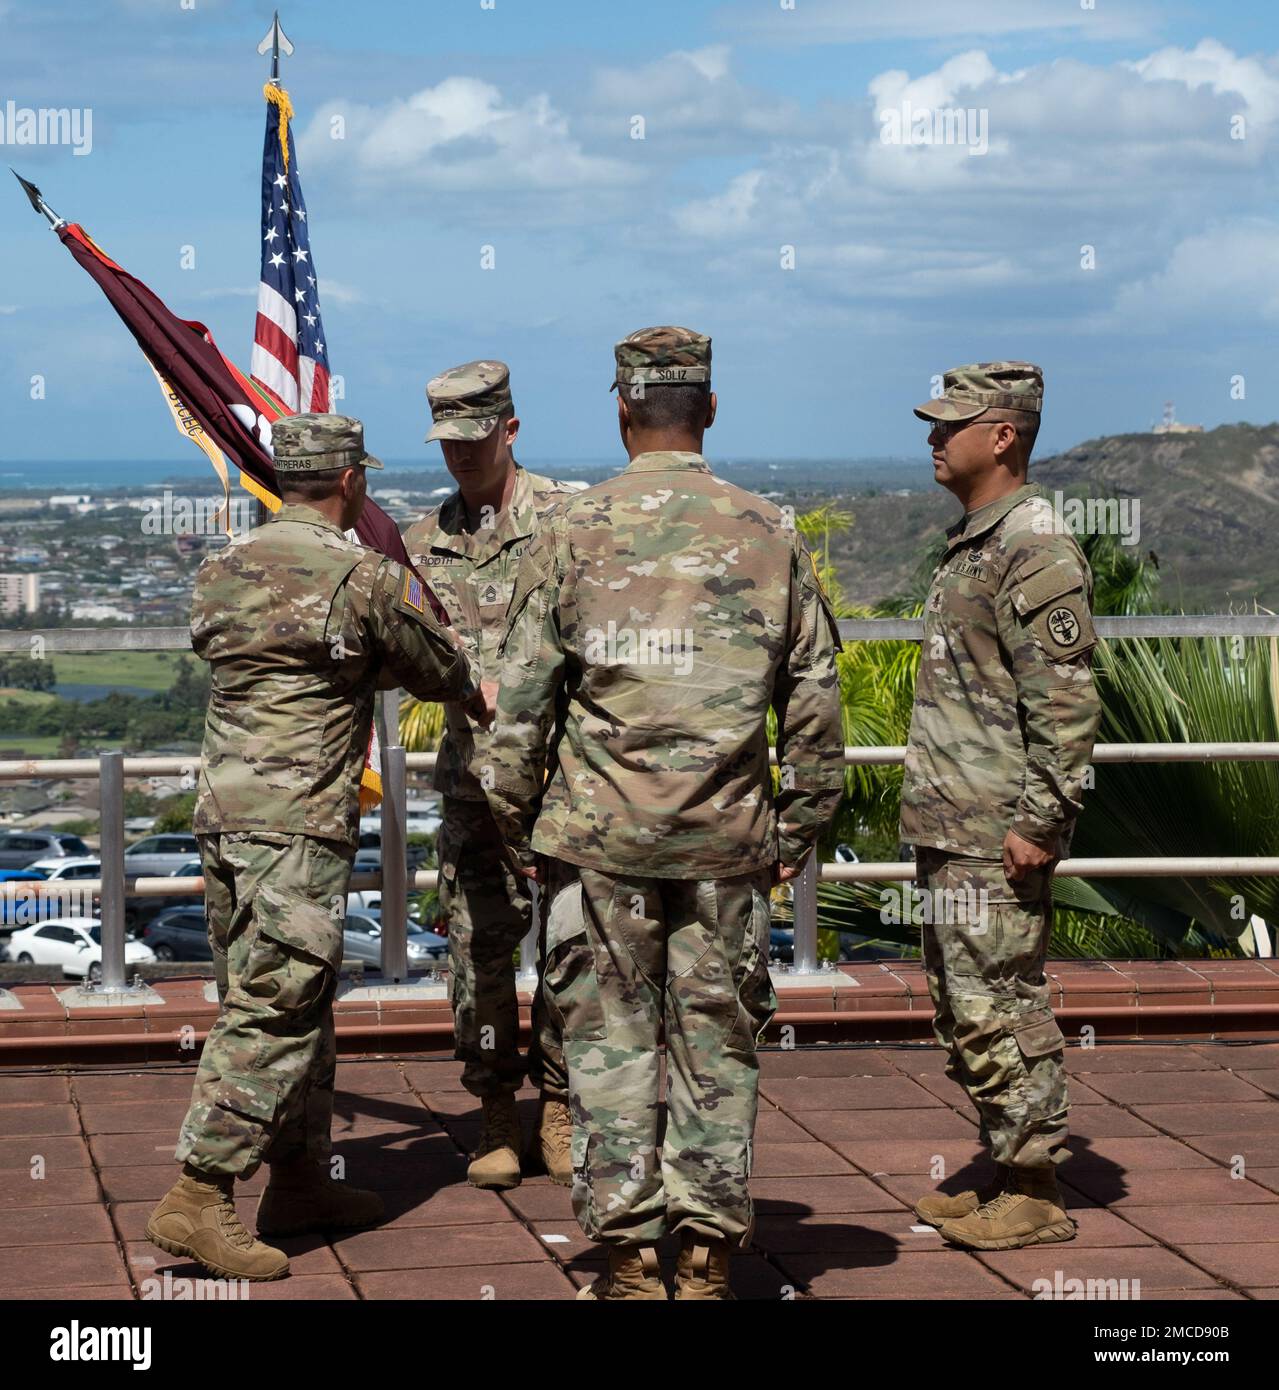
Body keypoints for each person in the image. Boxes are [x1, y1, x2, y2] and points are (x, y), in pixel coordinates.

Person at [482, 327, 845, 1299]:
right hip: (726, 848)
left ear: (621, 410)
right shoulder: (769, 530)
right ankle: (708, 1255)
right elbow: (813, 709)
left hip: (600, 851)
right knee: (717, 1049)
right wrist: (791, 835)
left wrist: (523, 834)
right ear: (710, 410)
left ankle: (630, 1260)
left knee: (608, 1050)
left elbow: (516, 713)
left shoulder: (570, 529)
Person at [146, 413, 488, 1281]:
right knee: (279, 1005)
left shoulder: (220, 567)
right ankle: (199, 1192)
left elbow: (240, 655)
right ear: (351, 483)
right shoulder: (363, 576)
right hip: (297, 824)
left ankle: (299, 1178)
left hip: (224, 814)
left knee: (277, 997)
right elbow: (437, 668)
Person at [902, 363, 1101, 1250]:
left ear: (1003, 436)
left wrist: (1040, 821)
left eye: (950, 424)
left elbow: (1064, 702)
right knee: (963, 1003)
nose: (933, 438)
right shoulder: (978, 538)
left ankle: (1033, 1186)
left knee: (1002, 1002)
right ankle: (1002, 1159)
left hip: (995, 829)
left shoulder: (1034, 543)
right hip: (955, 822)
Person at [403, 360, 575, 1190]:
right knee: (478, 956)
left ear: (510, 429)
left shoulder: (573, 523)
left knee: (577, 948)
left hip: (567, 781)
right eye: (447, 444)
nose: (461, 458)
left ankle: (566, 1105)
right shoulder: (418, 542)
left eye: (475, 440)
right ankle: (496, 1113)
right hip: (473, 786)